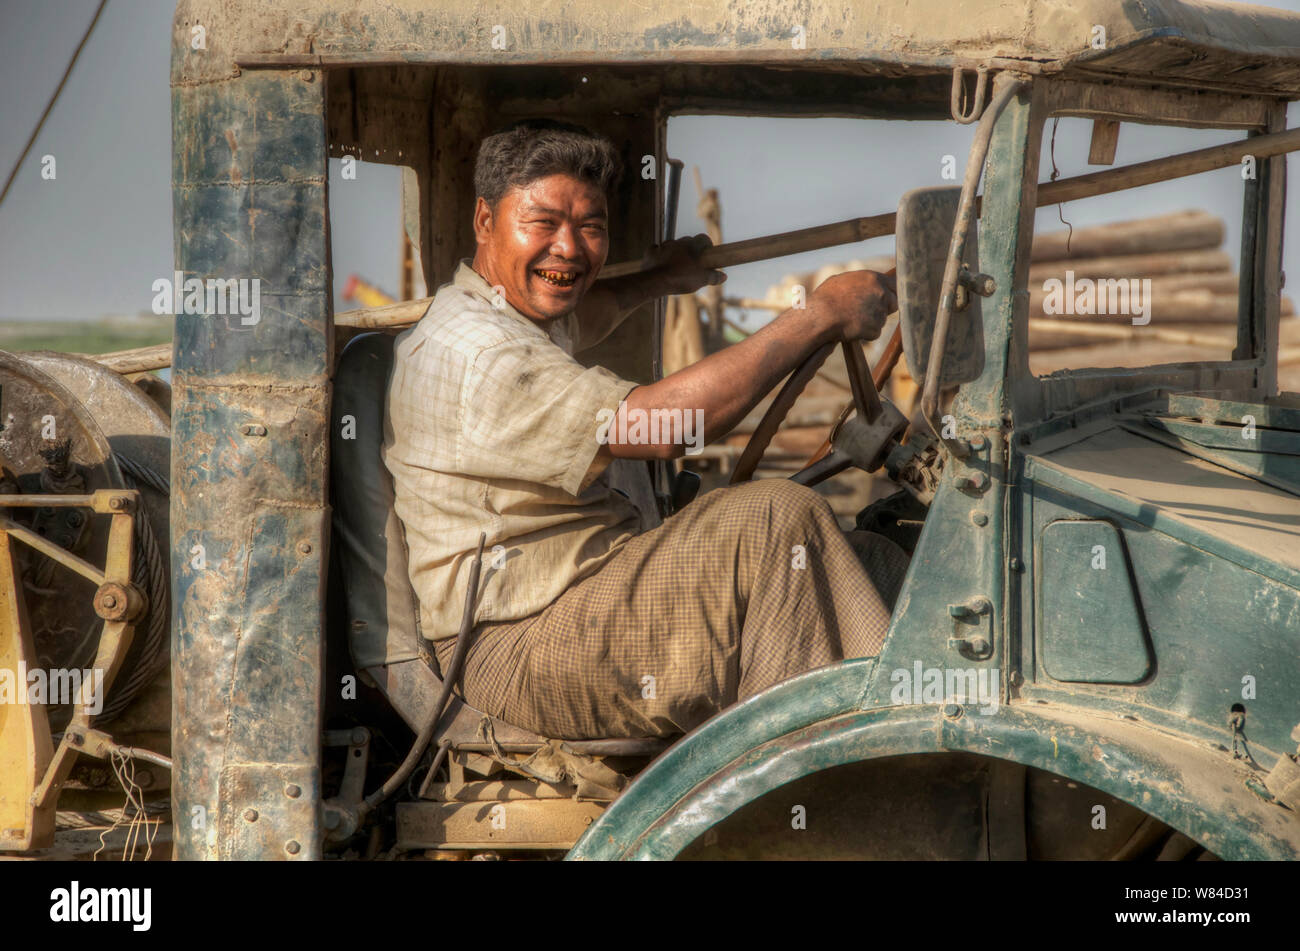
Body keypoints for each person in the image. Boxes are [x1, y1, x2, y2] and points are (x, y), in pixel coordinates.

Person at [383, 119, 908, 740]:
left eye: (591, 227)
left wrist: (662, 278)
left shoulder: (505, 310)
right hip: (517, 644)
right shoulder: (481, 352)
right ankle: (806, 777)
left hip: (587, 598)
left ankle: (909, 737)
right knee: (775, 520)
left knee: (870, 555)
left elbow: (588, 313)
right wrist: (818, 316)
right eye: (543, 223)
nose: (571, 249)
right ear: (484, 221)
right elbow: (668, 427)